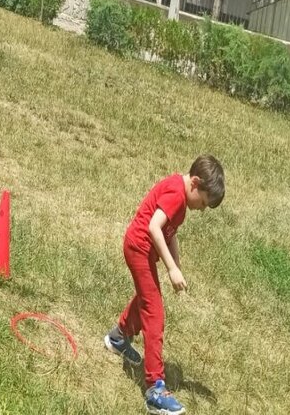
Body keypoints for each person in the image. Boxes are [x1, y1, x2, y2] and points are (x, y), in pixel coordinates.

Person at [104, 155, 225, 415]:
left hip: (143, 250)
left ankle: (118, 337)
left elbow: (171, 234)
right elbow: (155, 228)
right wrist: (170, 269)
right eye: (203, 202)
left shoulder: (182, 198)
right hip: (138, 247)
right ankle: (154, 388)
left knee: (147, 299)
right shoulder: (176, 195)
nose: (202, 209)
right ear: (195, 183)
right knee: (155, 312)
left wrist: (177, 267)